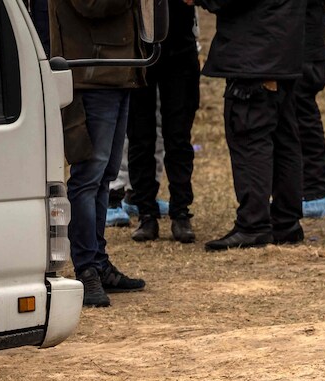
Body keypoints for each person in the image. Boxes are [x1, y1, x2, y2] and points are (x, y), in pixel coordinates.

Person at [50, 0, 147, 307]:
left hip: (114, 71)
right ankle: (86, 268)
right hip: (92, 75)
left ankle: (98, 261)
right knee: (89, 176)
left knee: (103, 175)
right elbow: (92, 5)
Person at [196, 0, 307, 250]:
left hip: (255, 54)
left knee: (250, 135)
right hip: (283, 51)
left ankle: (253, 224)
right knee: (283, 137)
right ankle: (286, 221)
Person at [129, 0, 200, 243]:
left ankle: (180, 212)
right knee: (140, 136)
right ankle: (146, 213)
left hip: (180, 47)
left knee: (178, 136)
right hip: (138, 48)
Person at [298, 0, 325, 218]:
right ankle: (304, 190)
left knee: (303, 115)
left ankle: (315, 192)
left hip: (305, 44)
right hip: (289, 38)